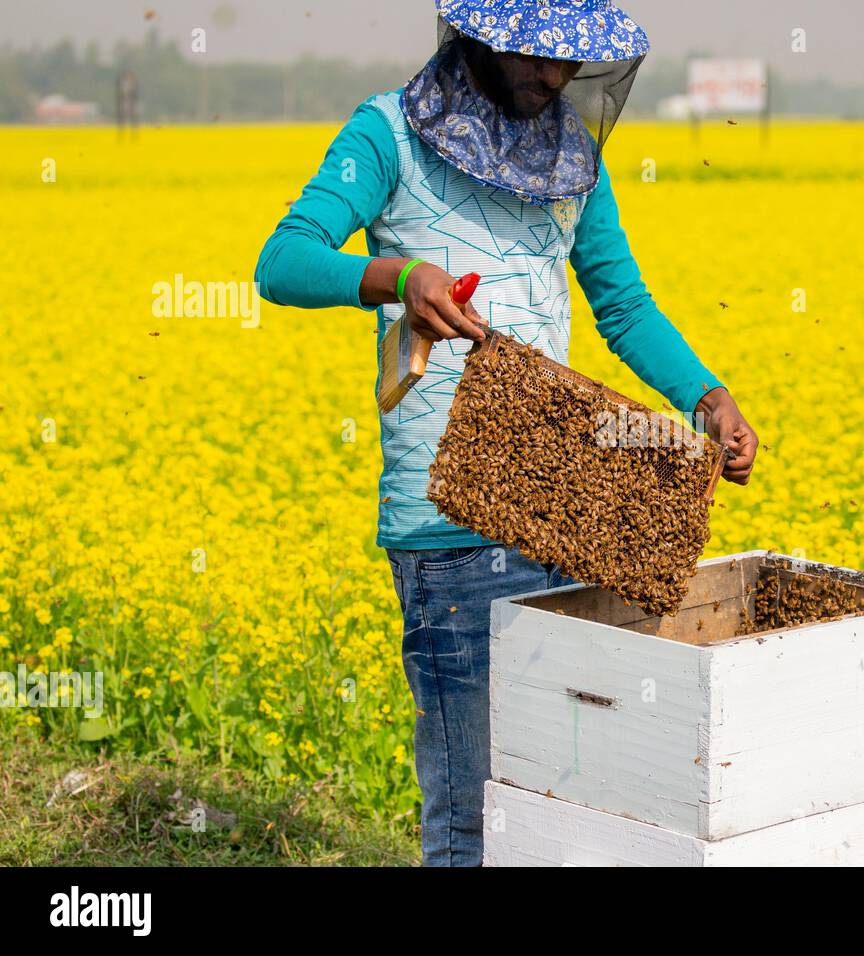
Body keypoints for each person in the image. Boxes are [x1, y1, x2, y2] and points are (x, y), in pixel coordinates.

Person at [254, 0, 758, 867]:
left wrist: (708, 397)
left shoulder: (574, 157)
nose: (554, 77)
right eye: (535, 57)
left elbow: (624, 306)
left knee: (570, 796)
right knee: (472, 813)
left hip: (562, 515)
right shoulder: (387, 134)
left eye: (570, 62)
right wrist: (398, 275)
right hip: (447, 533)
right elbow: (282, 261)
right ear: (482, 37)